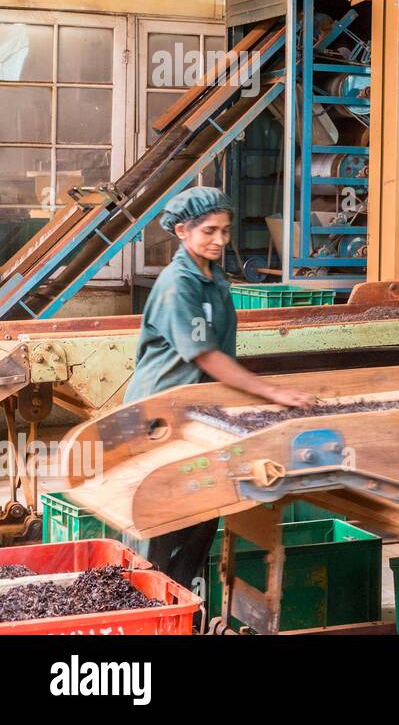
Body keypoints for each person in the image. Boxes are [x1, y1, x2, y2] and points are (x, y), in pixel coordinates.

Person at [124, 187, 318, 591]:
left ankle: (184, 608)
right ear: (182, 230)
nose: (220, 241)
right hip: (162, 419)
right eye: (209, 231)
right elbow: (207, 357)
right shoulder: (179, 284)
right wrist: (272, 393)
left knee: (202, 516)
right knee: (163, 527)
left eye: (225, 231)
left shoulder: (214, 280)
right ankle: (152, 607)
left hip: (200, 415)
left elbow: (222, 354)